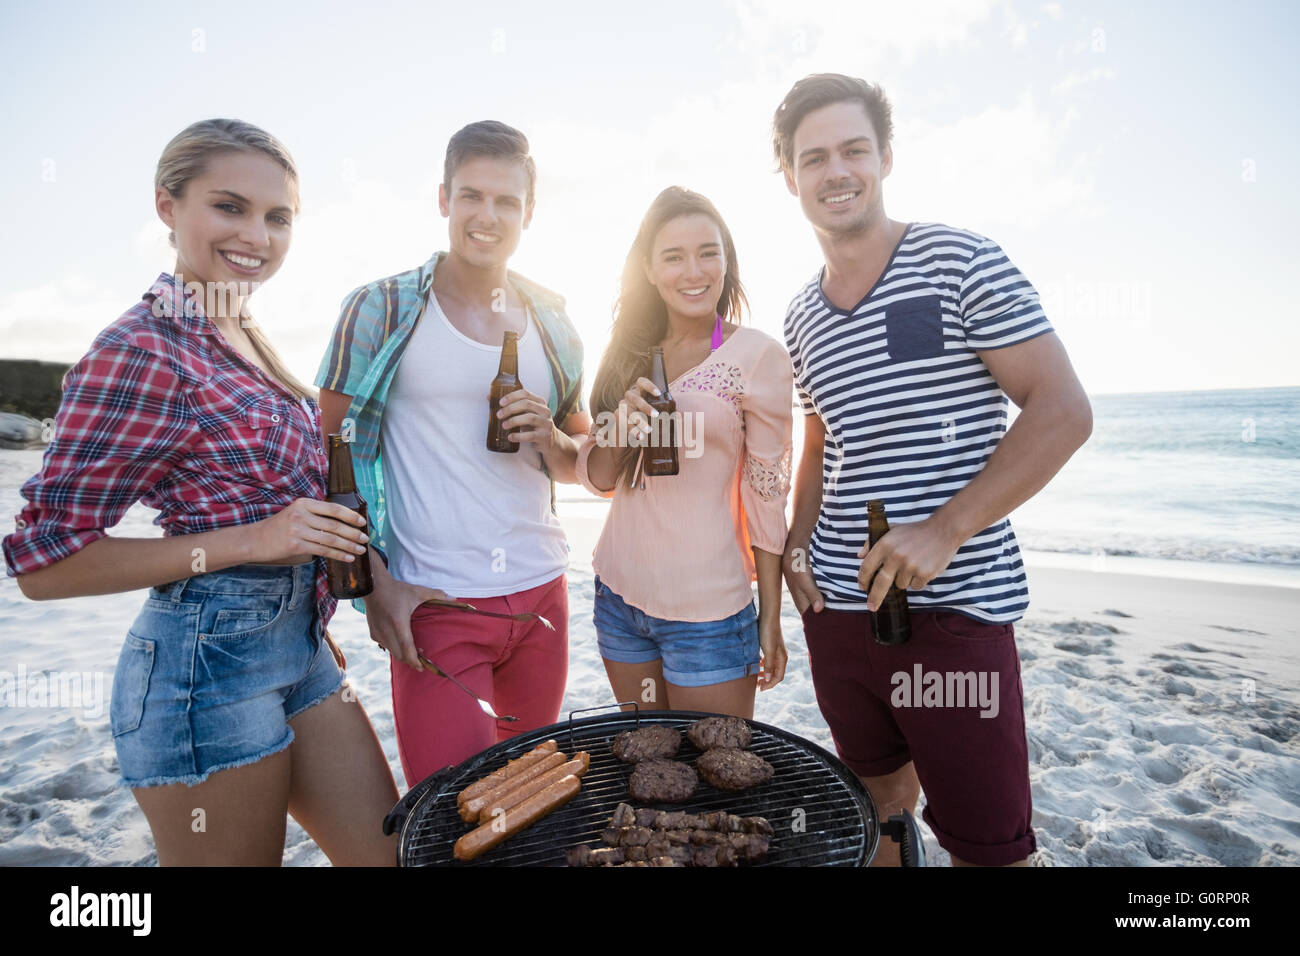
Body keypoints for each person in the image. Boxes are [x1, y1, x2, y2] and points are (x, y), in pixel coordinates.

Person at [2, 119, 398, 866]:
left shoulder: (241, 329)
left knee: (391, 856)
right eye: (230, 206)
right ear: (167, 206)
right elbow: (45, 566)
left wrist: (314, 605)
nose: (258, 234)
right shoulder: (142, 349)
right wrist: (259, 542)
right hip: (201, 678)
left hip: (301, 651)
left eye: (278, 217)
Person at [775, 75, 1092, 867]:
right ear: (789, 176)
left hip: (954, 614)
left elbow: (1062, 409)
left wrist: (946, 528)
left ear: (885, 157)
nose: (836, 171)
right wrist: (797, 547)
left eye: (854, 149)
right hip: (841, 616)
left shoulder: (960, 259)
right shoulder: (801, 314)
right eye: (814, 157)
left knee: (988, 846)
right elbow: (820, 438)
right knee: (876, 802)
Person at [315, 121, 589, 790]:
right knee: (451, 814)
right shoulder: (377, 309)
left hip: (541, 600)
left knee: (526, 810)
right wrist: (372, 584)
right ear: (444, 199)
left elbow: (582, 460)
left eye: (507, 202)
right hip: (434, 603)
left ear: (529, 212)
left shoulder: (552, 320)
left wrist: (552, 438)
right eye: (472, 196)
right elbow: (326, 457)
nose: (487, 216)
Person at [576, 186, 793, 718]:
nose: (693, 271)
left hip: (711, 613)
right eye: (673, 256)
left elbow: (766, 496)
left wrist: (771, 614)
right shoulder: (628, 353)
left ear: (727, 261)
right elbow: (601, 478)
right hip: (619, 599)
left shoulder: (759, 356)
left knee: (710, 776)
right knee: (648, 764)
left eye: (707, 253)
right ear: (649, 269)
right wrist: (620, 430)